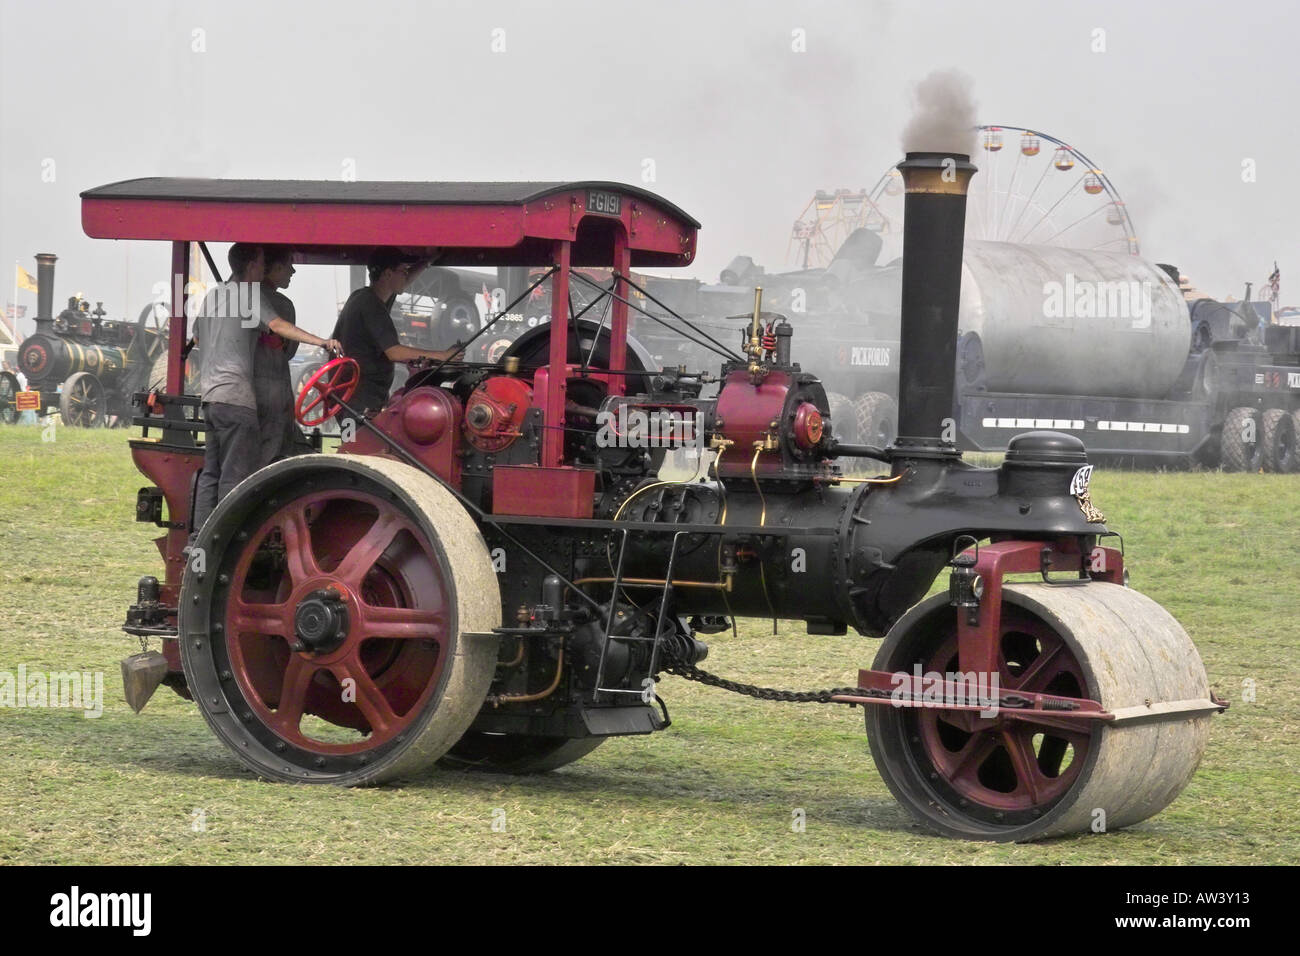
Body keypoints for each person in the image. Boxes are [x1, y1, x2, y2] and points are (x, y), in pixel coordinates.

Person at [191, 243, 340, 539]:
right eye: (260, 263)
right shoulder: (249, 296)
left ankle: (199, 539)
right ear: (251, 266)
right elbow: (278, 325)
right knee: (235, 475)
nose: (262, 269)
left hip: (210, 398)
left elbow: (196, 336)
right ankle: (224, 539)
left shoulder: (214, 295)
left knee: (211, 472)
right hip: (237, 399)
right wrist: (322, 341)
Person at [330, 248, 458, 435]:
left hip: (360, 397)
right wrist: (443, 356)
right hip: (355, 401)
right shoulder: (370, 305)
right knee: (358, 449)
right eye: (403, 271)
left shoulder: (367, 298)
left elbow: (403, 282)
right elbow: (394, 352)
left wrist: (427, 261)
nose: (406, 276)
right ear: (388, 274)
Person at [254, 245, 317, 466]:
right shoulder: (282, 304)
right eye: (289, 265)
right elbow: (289, 351)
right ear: (275, 268)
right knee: (272, 455)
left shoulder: (231, 296)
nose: (293, 271)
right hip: (272, 388)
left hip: (240, 392)